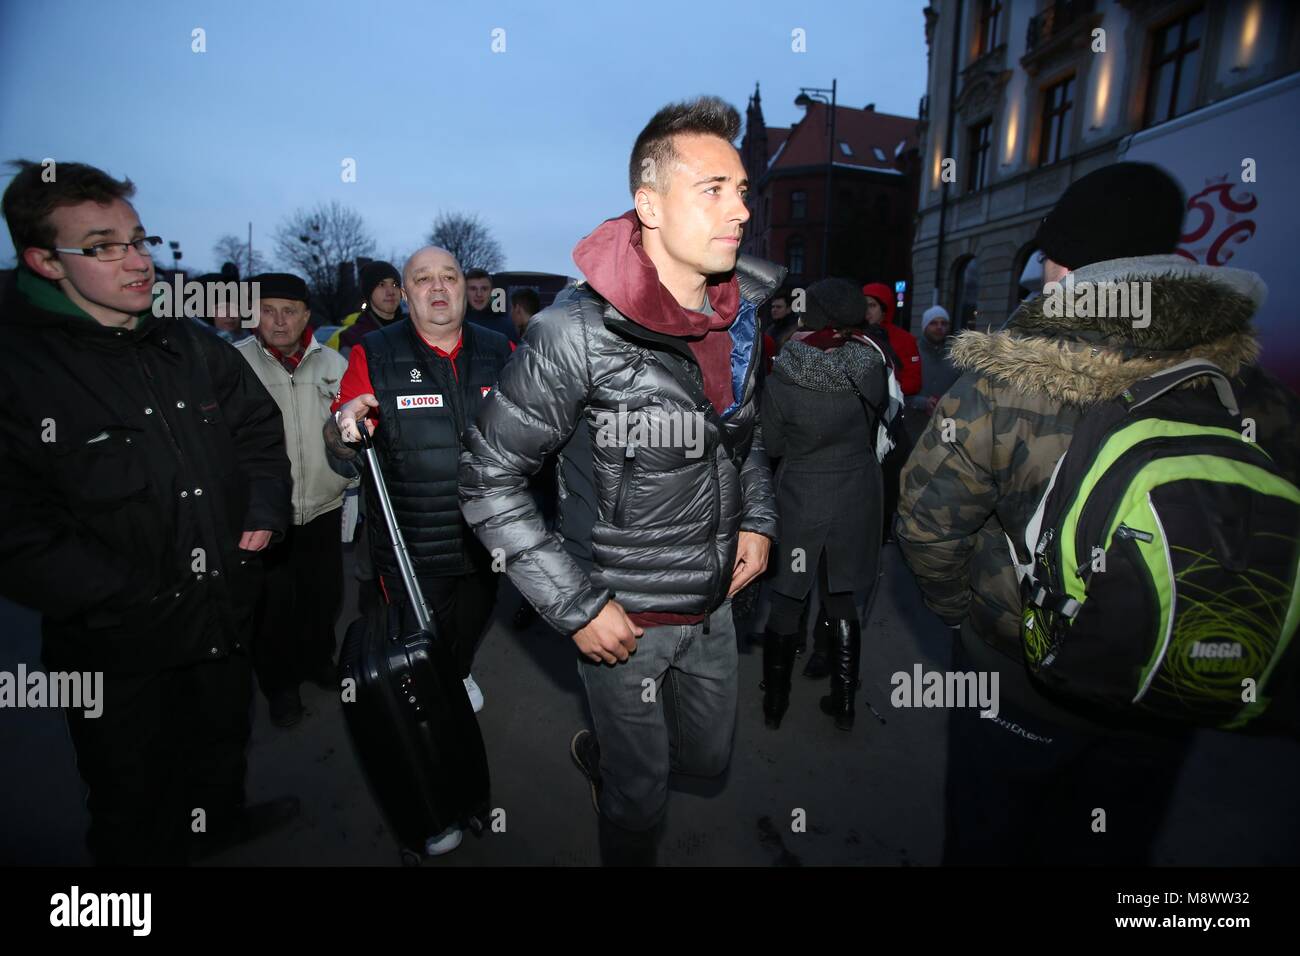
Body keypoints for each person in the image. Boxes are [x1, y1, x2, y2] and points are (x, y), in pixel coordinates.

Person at [896, 161, 1300, 865]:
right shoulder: (1251, 386)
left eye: (1049, 256)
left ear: (1069, 266)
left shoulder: (1005, 380)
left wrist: (976, 621)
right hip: (1166, 678)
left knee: (991, 842)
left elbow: (928, 524)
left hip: (1021, 685)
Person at [458, 96, 781, 866]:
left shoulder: (743, 316)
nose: (740, 209)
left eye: (742, 189)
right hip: (623, 622)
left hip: (715, 602)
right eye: (713, 189)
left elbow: (747, 439)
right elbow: (489, 478)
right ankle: (621, 790)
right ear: (649, 205)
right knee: (641, 803)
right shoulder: (572, 332)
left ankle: (613, 761)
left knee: (703, 763)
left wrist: (760, 520)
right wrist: (575, 606)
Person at [0, 160, 297, 865]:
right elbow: (13, 527)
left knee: (221, 745)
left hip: (223, 612)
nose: (139, 261)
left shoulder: (187, 341)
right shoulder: (18, 368)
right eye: (103, 247)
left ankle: (220, 822)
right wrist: (128, 594)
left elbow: (256, 428)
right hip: (115, 648)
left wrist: (263, 505)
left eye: (139, 239)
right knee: (130, 797)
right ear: (43, 261)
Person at [327, 246, 513, 852]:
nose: (438, 289)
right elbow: (340, 438)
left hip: (486, 545)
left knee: (461, 641)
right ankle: (436, 803)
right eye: (422, 280)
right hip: (410, 552)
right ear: (404, 294)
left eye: (449, 277)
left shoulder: (499, 348)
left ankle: (456, 677)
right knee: (414, 673)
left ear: (466, 288)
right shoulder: (374, 355)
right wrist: (343, 427)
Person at [759, 278, 887, 730]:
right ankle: (845, 703)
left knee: (788, 598)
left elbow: (771, 443)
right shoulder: (872, 365)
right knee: (840, 596)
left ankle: (774, 704)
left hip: (802, 498)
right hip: (856, 494)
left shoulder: (786, 374)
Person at [236, 272, 354, 727]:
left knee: (322, 597)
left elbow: (350, 430)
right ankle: (280, 686)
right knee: (271, 606)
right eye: (268, 310)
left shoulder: (332, 364)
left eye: (289, 311)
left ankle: (317, 662)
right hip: (265, 515)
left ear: (306, 315)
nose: (279, 321)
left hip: (323, 507)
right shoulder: (233, 364)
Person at [862, 282, 920, 544]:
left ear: (884, 309)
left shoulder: (903, 339)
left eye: (872, 305)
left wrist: (885, 387)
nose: (867, 311)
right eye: (863, 305)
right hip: (863, 424)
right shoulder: (855, 337)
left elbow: (914, 382)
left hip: (892, 423)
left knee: (888, 480)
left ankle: (884, 529)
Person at [326, 259, 404, 356]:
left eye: (395, 284)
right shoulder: (352, 338)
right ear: (368, 292)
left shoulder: (416, 329)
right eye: (382, 285)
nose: (391, 291)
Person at [906, 304, 959, 445]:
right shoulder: (911, 353)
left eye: (943, 323)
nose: (939, 327)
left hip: (948, 423)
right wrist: (922, 403)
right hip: (916, 424)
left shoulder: (957, 356)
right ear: (925, 327)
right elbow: (899, 390)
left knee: (946, 461)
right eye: (933, 323)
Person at [464, 267, 519, 344]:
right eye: (473, 289)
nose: (479, 294)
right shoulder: (454, 325)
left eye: (484, 289)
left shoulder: (507, 327)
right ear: (465, 291)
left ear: (492, 291)